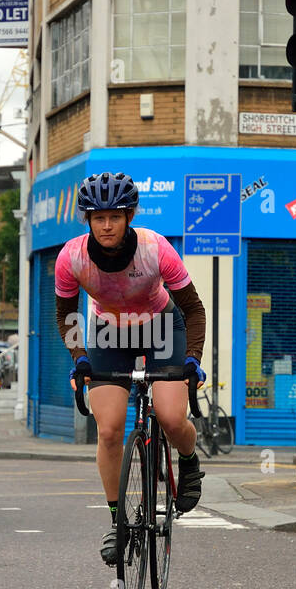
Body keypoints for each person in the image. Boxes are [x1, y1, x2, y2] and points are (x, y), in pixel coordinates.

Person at [55, 171, 207, 567]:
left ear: (130, 216)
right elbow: (66, 314)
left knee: (173, 417)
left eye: (116, 216)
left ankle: (188, 459)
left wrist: (192, 358)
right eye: (98, 217)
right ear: (86, 219)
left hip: (161, 325)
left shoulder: (156, 250)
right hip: (108, 333)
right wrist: (80, 359)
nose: (107, 225)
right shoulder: (71, 257)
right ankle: (116, 522)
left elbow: (192, 308)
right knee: (107, 430)